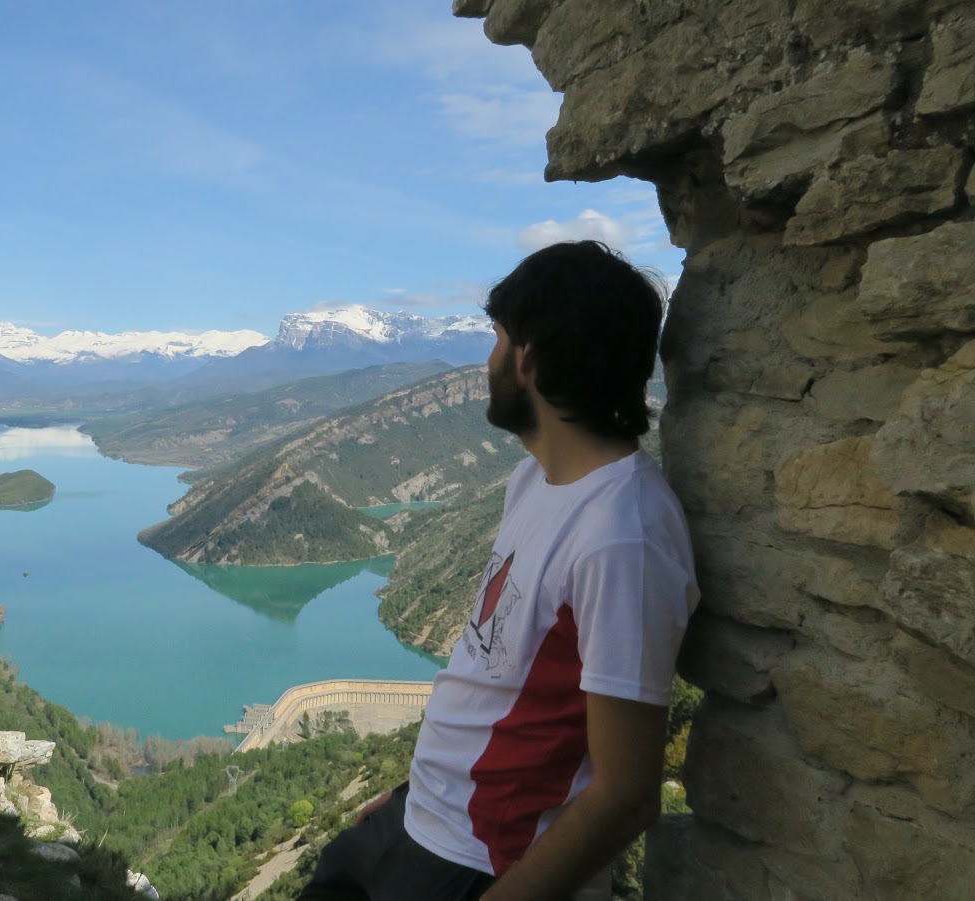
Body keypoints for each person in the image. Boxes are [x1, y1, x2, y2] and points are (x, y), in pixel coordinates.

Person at [298, 241, 699, 901]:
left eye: (495, 339)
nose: (486, 362)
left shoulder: (622, 535)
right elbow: (494, 677)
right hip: (415, 825)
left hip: (479, 863)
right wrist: (411, 798)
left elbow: (627, 796)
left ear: (529, 360)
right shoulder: (533, 480)